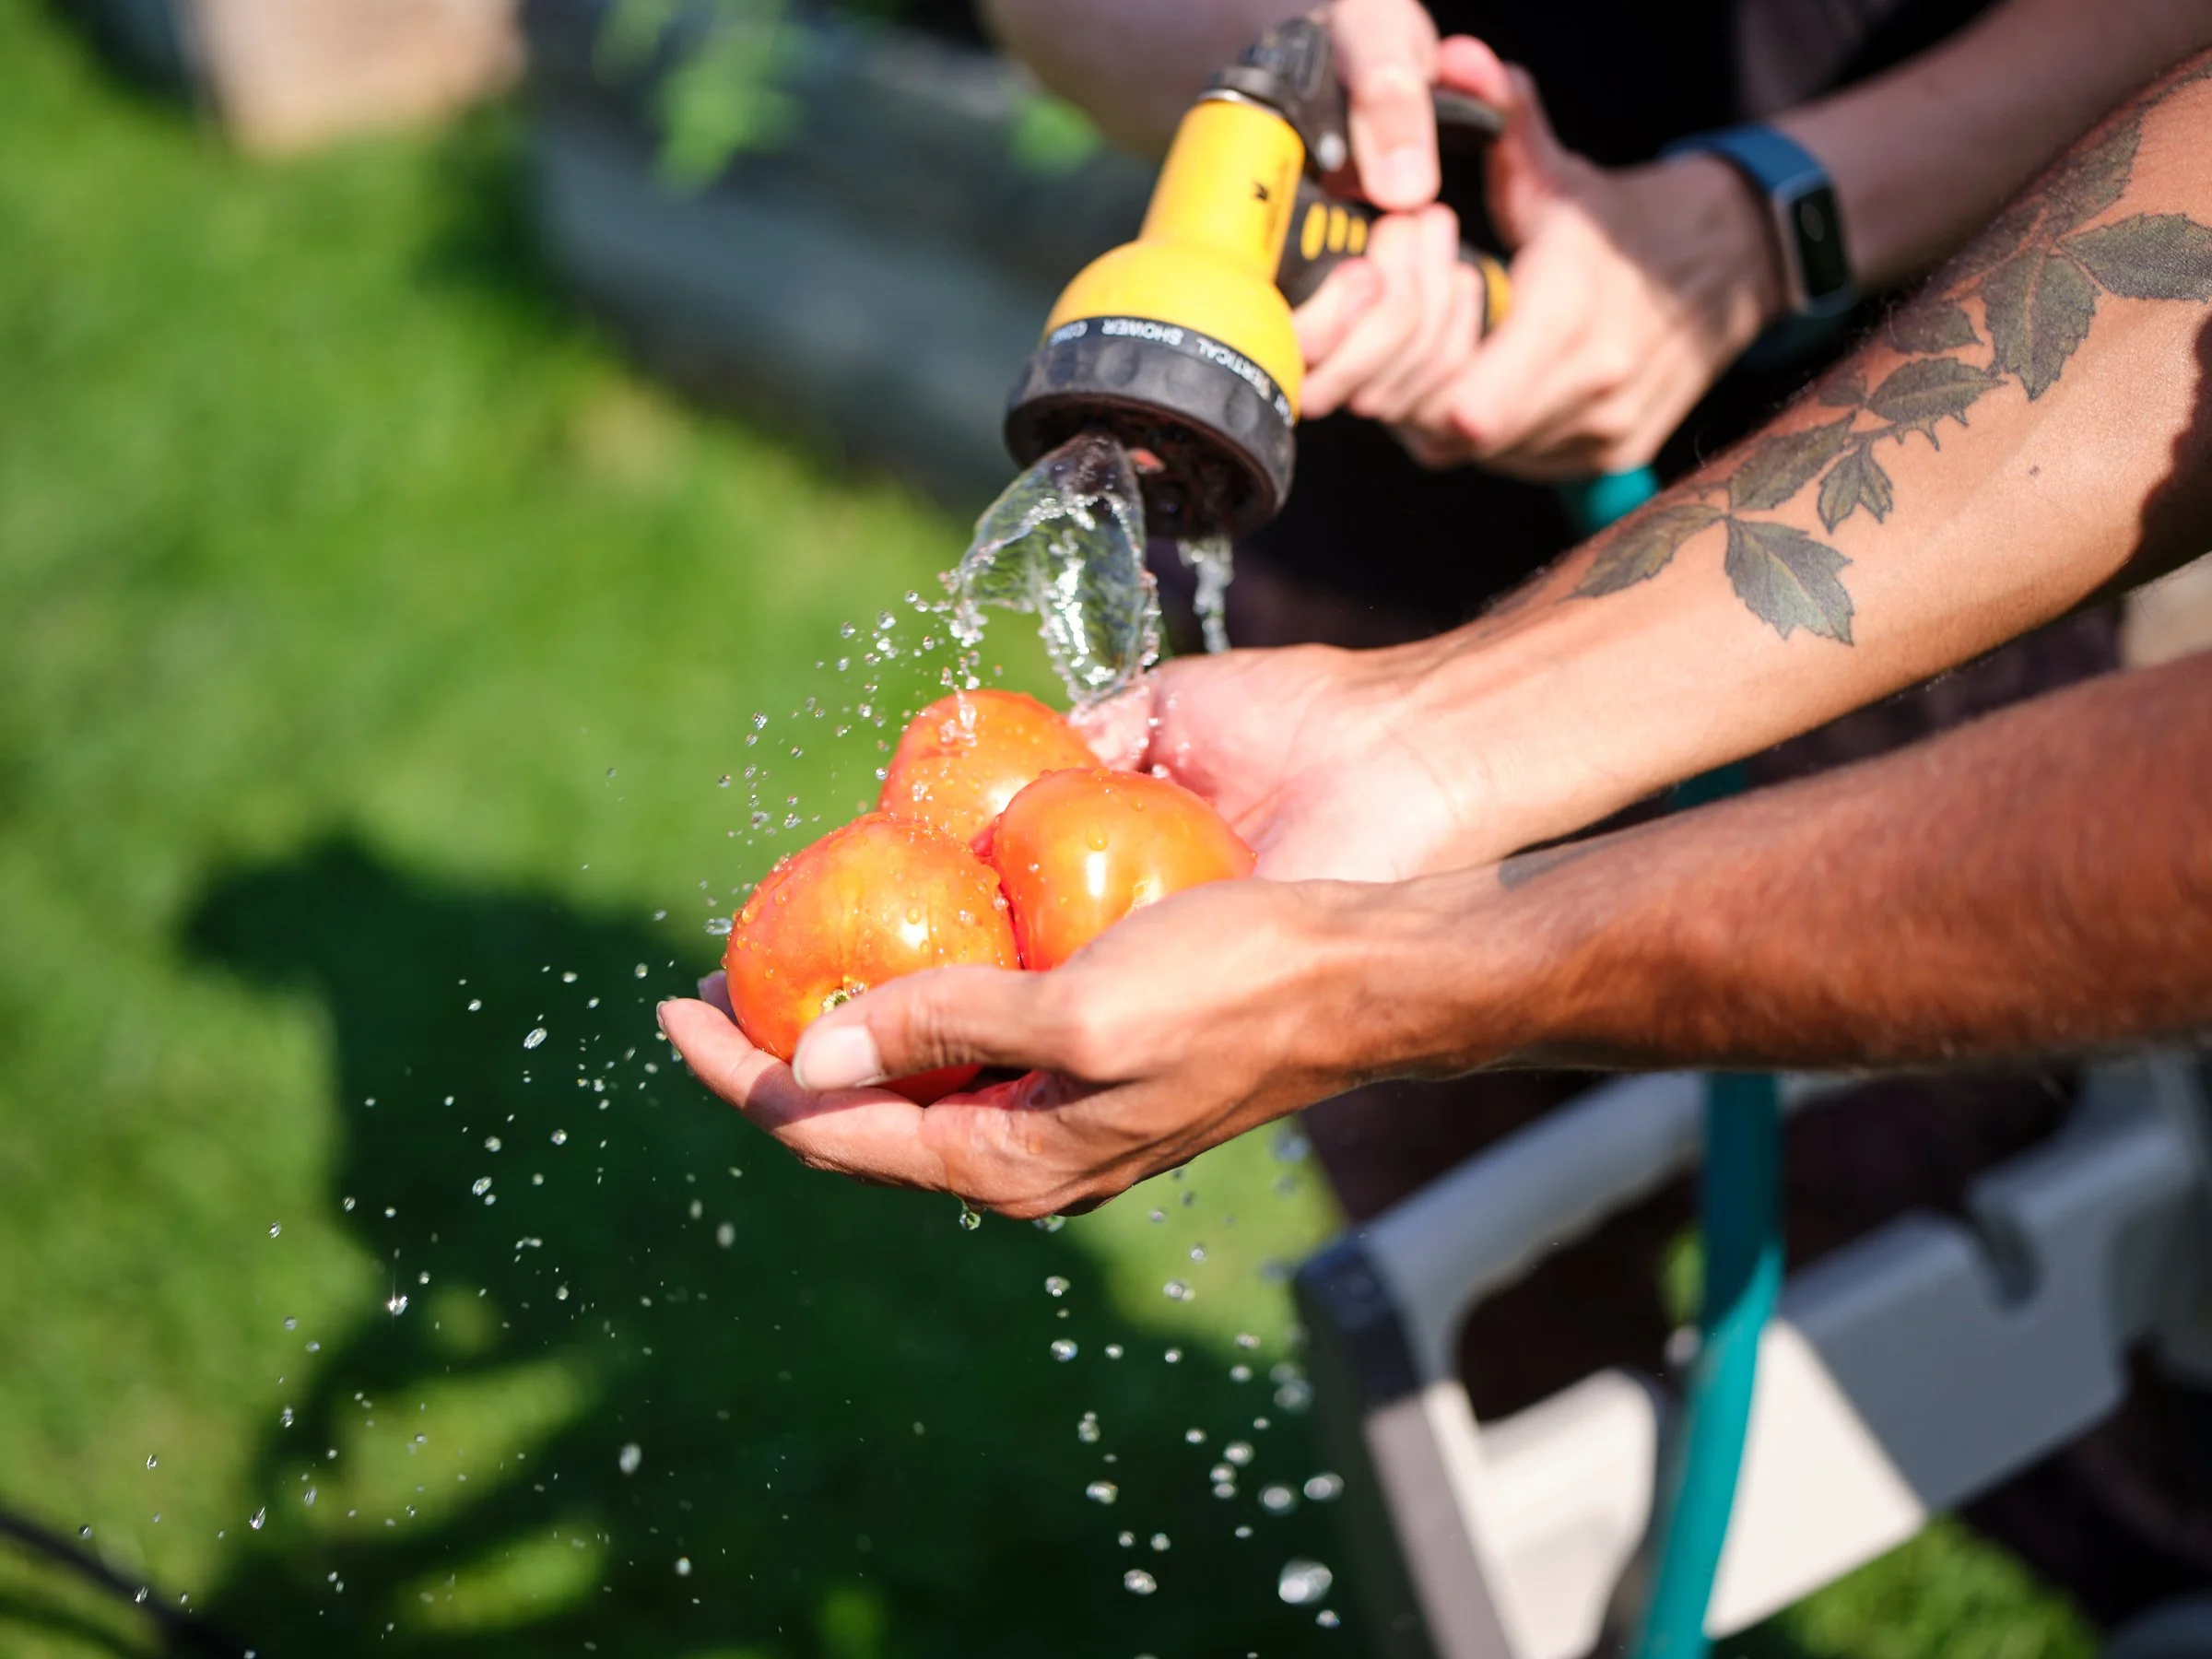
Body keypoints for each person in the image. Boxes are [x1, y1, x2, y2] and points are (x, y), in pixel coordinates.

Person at [657, 41, 2212, 1209]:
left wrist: (1388, 975)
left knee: (1938, 1210)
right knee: (1465, 1241)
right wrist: (1428, 728)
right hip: (1415, 442)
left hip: (1911, 272)